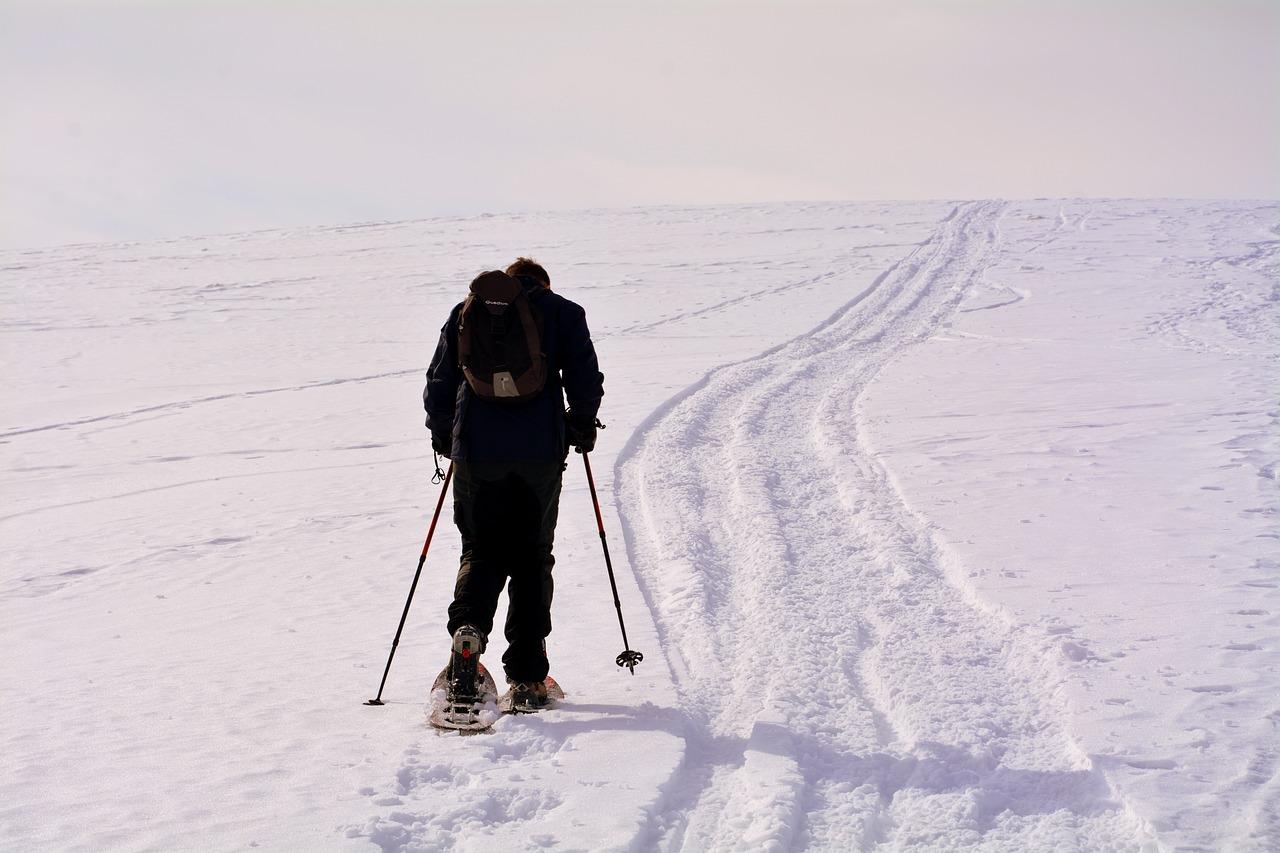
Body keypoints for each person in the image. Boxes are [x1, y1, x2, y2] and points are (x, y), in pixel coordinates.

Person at [424, 257, 604, 708]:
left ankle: (468, 633)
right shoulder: (563, 311)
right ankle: (526, 676)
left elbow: (440, 380)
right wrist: (581, 427)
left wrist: (445, 435)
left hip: (476, 455)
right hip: (539, 456)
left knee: (480, 550)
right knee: (532, 558)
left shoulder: (466, 312)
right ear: (542, 284)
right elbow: (585, 379)